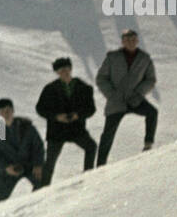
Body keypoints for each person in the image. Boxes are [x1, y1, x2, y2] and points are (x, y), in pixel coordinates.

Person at [95, 29, 157, 165]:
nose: (131, 42)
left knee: (152, 113)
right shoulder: (113, 57)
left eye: (133, 39)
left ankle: (148, 144)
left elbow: (150, 79)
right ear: (122, 42)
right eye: (127, 40)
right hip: (116, 102)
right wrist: (111, 95)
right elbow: (101, 78)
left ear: (137, 41)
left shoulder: (144, 58)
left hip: (134, 99)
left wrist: (139, 93)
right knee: (108, 134)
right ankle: (100, 164)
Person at [35, 57, 98, 183]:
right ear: (57, 72)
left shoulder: (84, 87)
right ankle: (42, 188)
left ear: (70, 69)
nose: (64, 72)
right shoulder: (50, 89)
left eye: (66, 69)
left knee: (91, 147)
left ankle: (88, 177)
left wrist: (77, 115)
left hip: (77, 129)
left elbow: (91, 109)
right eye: (61, 70)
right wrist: (56, 117)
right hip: (56, 131)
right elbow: (40, 108)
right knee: (50, 161)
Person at [0, 98, 45, 204]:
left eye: (8, 109)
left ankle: (36, 210)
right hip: (9, 169)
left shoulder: (26, 126)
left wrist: (38, 165)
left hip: (29, 165)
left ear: (13, 110)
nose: (6, 113)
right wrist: (6, 167)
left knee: (43, 186)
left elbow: (38, 147)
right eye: (2, 111)